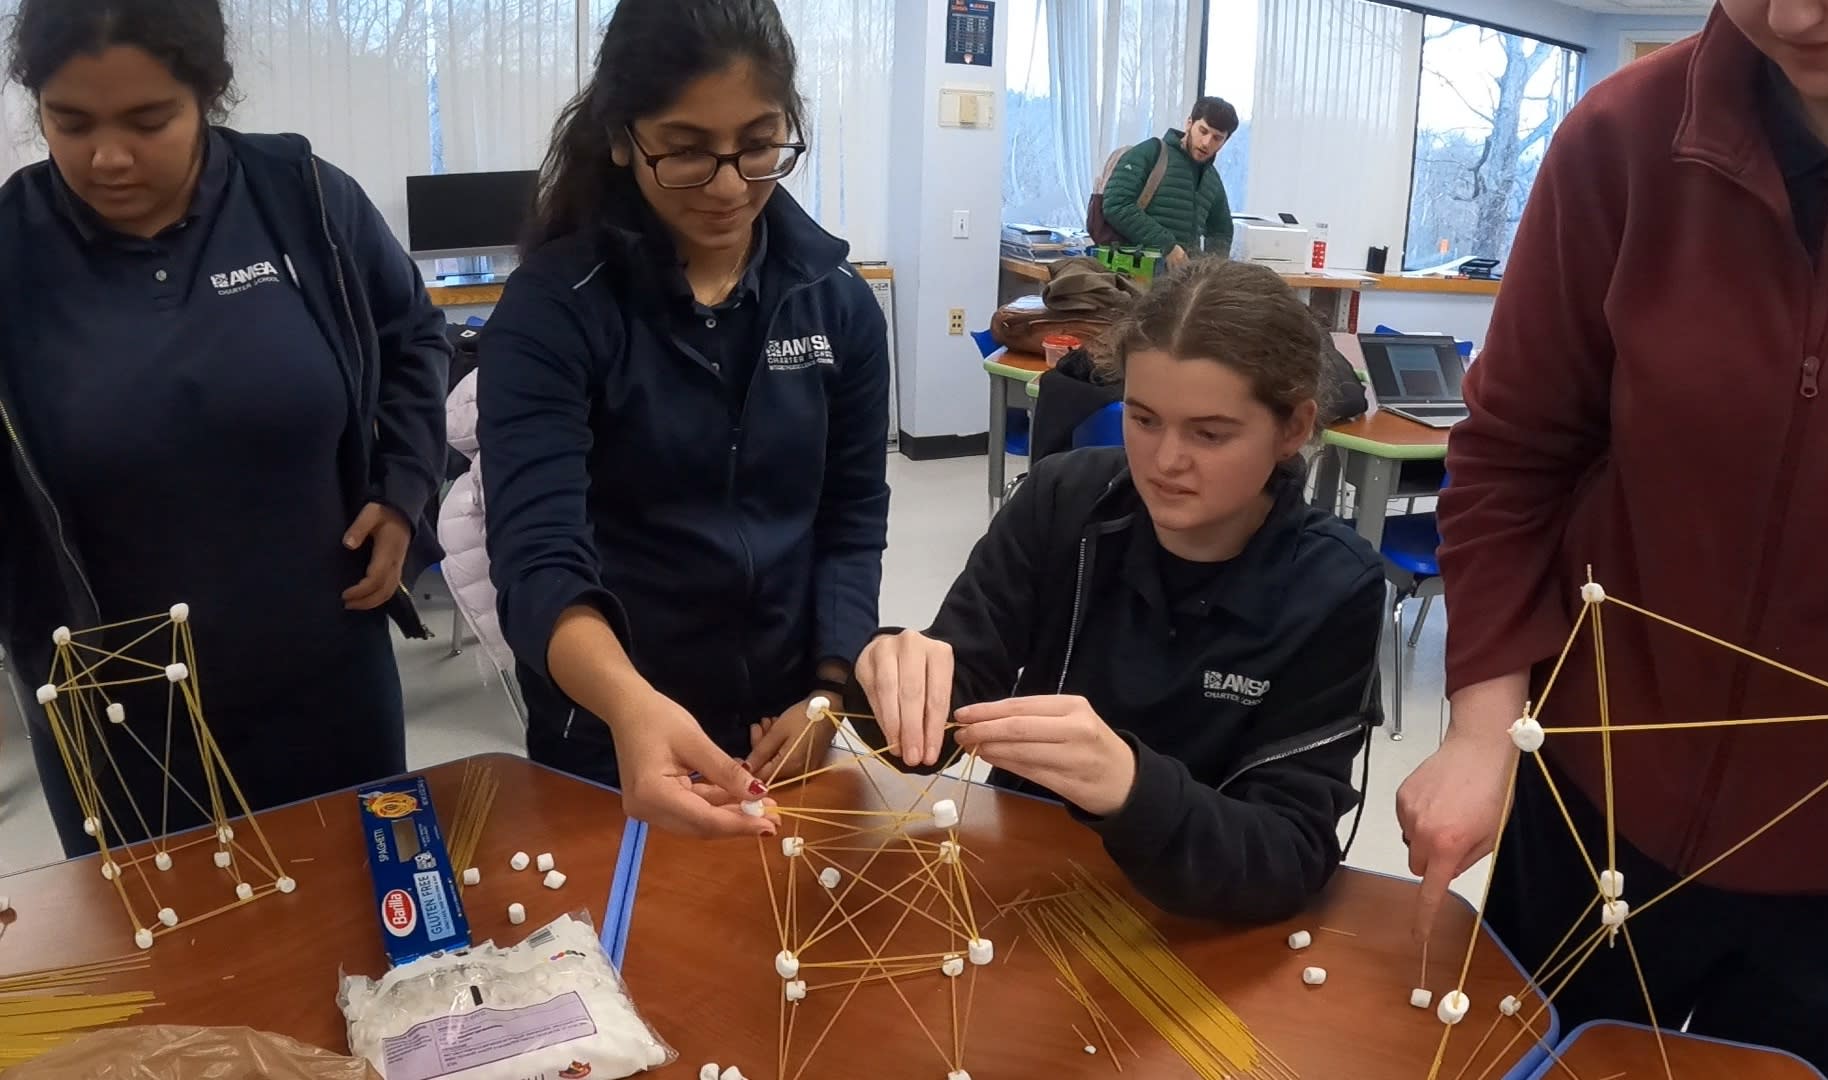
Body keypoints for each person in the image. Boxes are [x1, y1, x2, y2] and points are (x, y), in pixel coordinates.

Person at [1396, 4, 1828, 1078]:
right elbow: (1512, 456)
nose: (1790, 16)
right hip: (1585, 808)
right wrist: (1482, 727)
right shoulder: (1623, 137)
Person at [0, 0, 448, 857]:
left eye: (148, 120)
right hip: (120, 718)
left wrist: (403, 491)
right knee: (170, 966)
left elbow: (414, 336)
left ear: (208, 95)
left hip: (328, 676)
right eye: (71, 123)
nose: (109, 156)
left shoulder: (303, 200)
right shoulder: (12, 256)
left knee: (363, 927)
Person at [854, 260, 1385, 923]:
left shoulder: (1335, 585)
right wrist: (891, 682)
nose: (1165, 462)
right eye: (1143, 418)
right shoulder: (1063, 500)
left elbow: (1288, 856)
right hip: (1025, 888)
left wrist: (1132, 789)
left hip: (1197, 923)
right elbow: (951, 702)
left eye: (1209, 433)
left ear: (1292, 429)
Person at [479, 0, 891, 837]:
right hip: (610, 737)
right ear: (624, 138)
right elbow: (537, 558)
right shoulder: (554, 309)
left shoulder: (837, 303)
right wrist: (631, 708)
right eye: (686, 151)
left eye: (760, 143)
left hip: (783, 733)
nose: (732, 185)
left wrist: (828, 690)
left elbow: (850, 520)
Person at [1099, 97, 1239, 266]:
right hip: (1132, 272)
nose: (1206, 142)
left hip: (1182, 281)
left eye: (1217, 138)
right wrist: (1167, 245)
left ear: (1225, 141)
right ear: (1189, 123)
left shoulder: (1212, 178)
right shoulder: (1150, 152)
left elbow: (1221, 231)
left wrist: (1210, 270)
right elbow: (1116, 205)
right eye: (1203, 131)